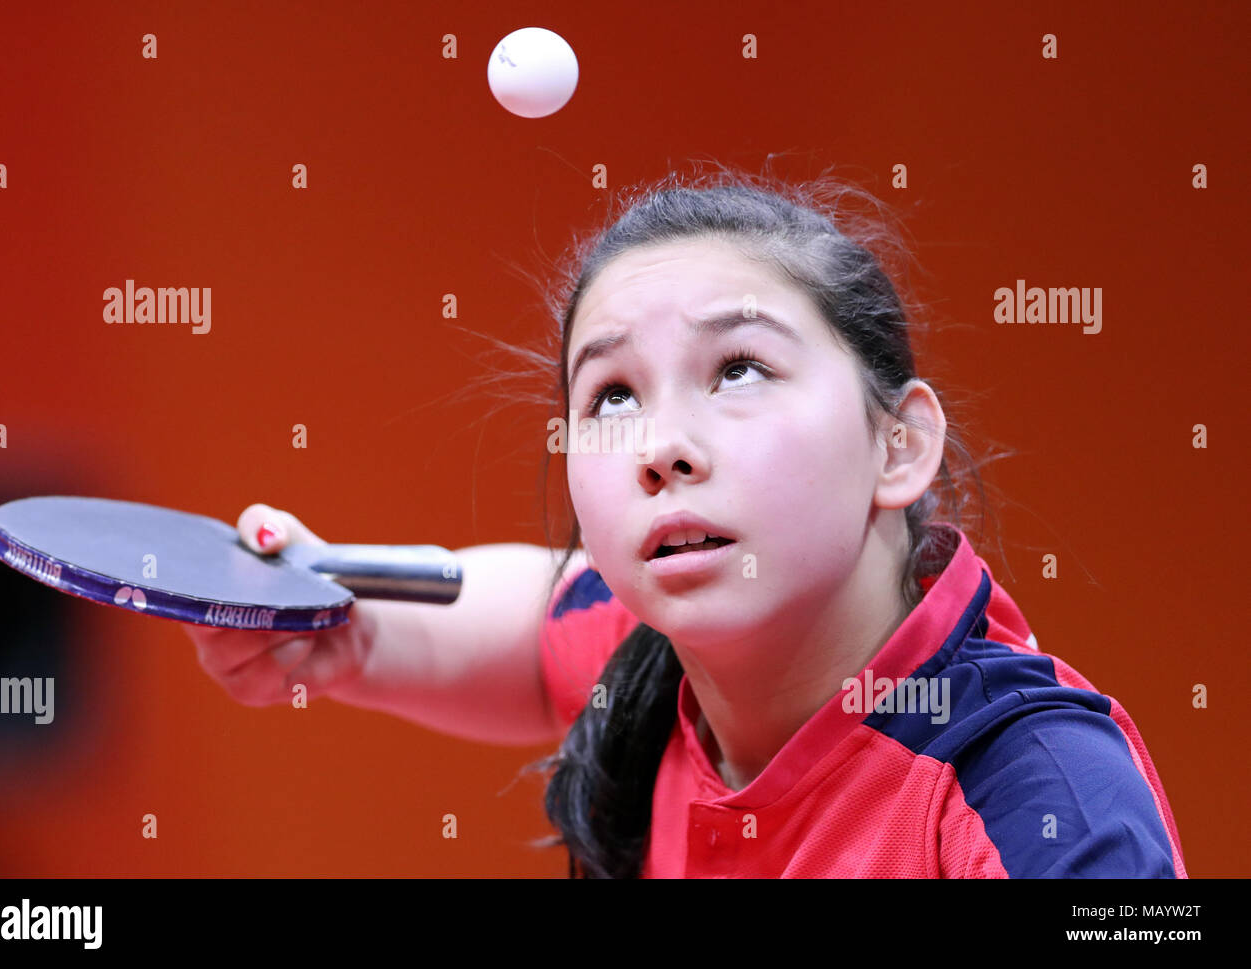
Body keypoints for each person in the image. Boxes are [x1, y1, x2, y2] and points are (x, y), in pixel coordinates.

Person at [181, 167, 1186, 879]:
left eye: (739, 369)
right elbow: (530, 626)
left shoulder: (1040, 800)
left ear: (898, 445)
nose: (662, 444)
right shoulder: (652, 660)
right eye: (612, 396)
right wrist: (325, 621)